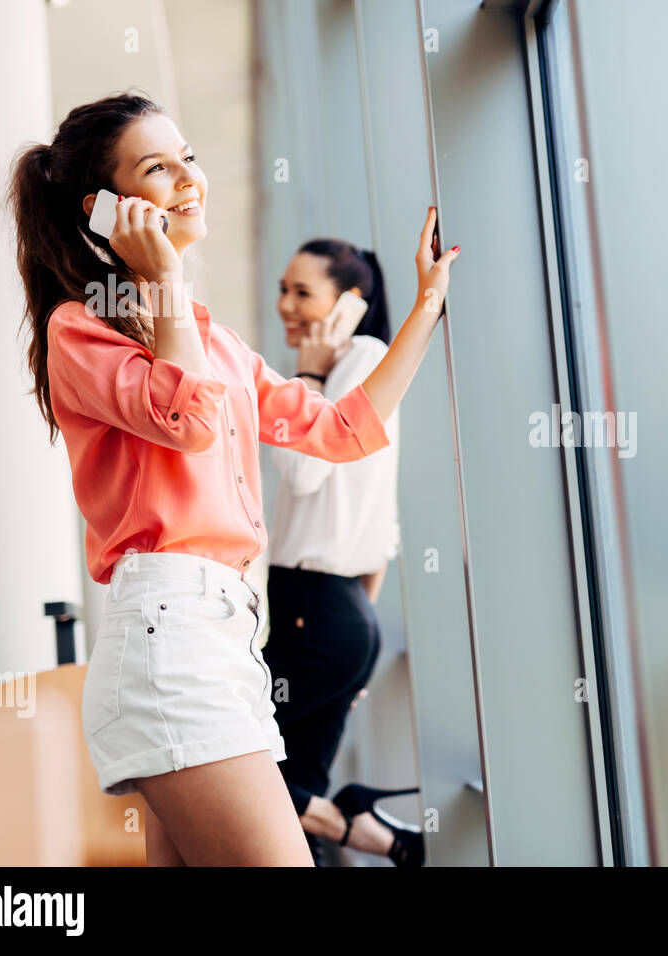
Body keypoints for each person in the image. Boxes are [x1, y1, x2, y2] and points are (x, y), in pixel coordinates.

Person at [8, 91, 458, 866]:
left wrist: (424, 306)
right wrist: (165, 277)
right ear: (106, 209)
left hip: (228, 642)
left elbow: (341, 432)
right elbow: (186, 419)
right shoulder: (77, 330)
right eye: (158, 166)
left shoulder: (213, 341)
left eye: (190, 157)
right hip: (169, 635)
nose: (189, 178)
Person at [264, 238, 420, 867]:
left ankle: (359, 828)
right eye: (283, 288)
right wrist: (357, 637)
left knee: (239, 763)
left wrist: (308, 371)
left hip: (318, 616)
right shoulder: (366, 364)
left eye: (304, 292)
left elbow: (301, 475)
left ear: (348, 304)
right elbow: (383, 528)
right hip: (341, 617)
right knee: (286, 796)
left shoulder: (353, 362)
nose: (286, 305)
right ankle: (352, 826)